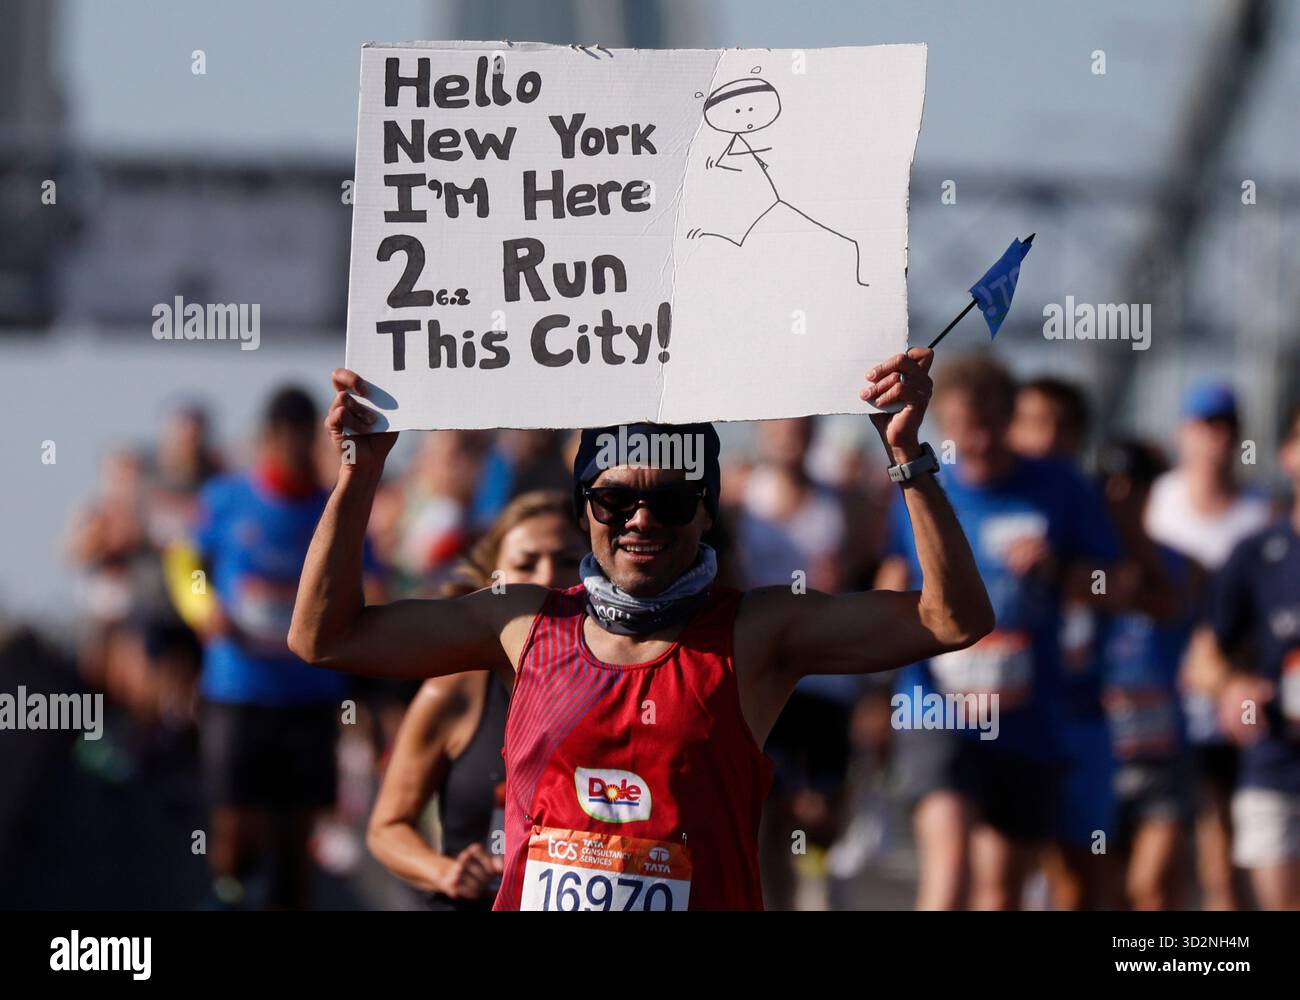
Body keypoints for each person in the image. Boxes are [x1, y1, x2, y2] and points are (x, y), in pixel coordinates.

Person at [290, 349, 995, 911]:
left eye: (672, 501)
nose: (641, 519)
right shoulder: (520, 621)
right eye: (614, 497)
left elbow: (953, 619)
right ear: (584, 508)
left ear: (708, 512)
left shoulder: (759, 632)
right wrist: (361, 472)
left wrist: (907, 458)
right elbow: (324, 638)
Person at [877, 354, 1121, 910]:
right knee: (952, 867)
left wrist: (1059, 568)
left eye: (991, 424)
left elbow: (1115, 585)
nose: (979, 440)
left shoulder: (1060, 487)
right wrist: (872, 685)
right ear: (946, 426)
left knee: (1002, 890)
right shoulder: (923, 489)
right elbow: (889, 581)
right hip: (933, 704)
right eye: (966, 426)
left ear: (1011, 418)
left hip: (1027, 715)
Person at [367, 491, 585, 910]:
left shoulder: (629, 684)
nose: (545, 578)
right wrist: (445, 871)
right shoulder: (458, 689)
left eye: (565, 560)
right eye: (525, 564)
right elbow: (386, 827)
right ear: (493, 584)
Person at [191, 386, 356, 910]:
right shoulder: (225, 497)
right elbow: (185, 566)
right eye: (280, 434)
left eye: (301, 435)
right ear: (264, 437)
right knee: (236, 832)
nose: (290, 445)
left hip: (308, 694)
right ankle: (230, 890)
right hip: (237, 689)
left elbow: (366, 577)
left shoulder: (333, 506)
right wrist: (202, 608)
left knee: (293, 844)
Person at [1147, 382, 1272, 910]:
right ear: (1183, 433)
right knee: (1158, 866)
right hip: (1156, 705)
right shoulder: (1158, 502)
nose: (1214, 440)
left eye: (1224, 427)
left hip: (1225, 708)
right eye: (1203, 426)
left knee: (1224, 861)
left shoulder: (1259, 518)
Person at [1008, 377, 1123, 910]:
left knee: (1082, 870)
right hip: (1008, 715)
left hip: (1082, 714)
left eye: (1060, 425)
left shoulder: (1089, 502)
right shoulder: (987, 495)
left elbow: (1127, 588)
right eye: (1032, 423)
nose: (1045, 437)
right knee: (1002, 867)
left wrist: (1060, 572)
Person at [1193, 405, 1300, 910]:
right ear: (1288, 455)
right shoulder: (1258, 552)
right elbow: (1202, 660)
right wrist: (1233, 686)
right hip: (1274, 767)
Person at [1094, 440, 1200, 910]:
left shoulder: (1182, 564)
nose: (1121, 495)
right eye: (1109, 486)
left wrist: (1132, 539)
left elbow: (1174, 605)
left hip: (1164, 750)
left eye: (1135, 486)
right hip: (1100, 749)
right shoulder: (1084, 564)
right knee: (1101, 888)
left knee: (1151, 888)